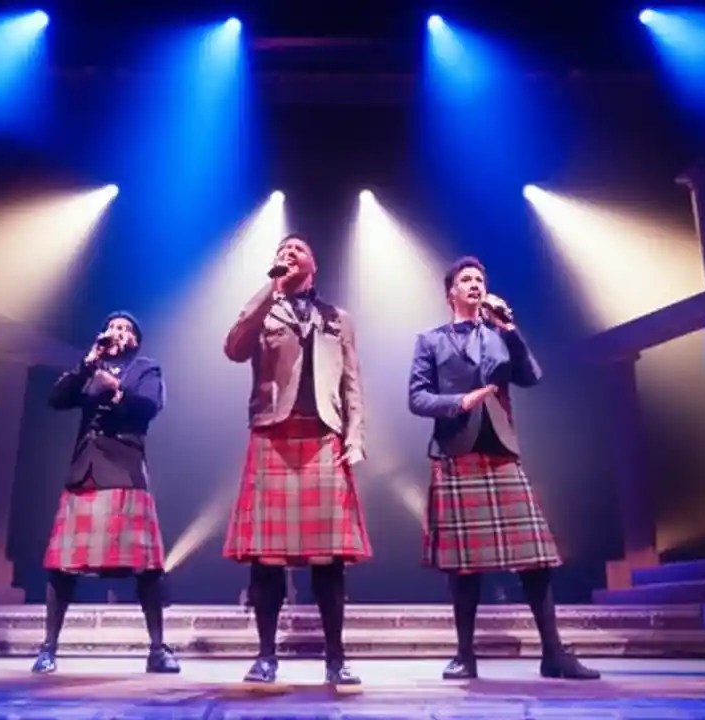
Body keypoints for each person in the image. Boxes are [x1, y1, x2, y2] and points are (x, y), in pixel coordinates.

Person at [408, 256, 599, 681]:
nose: (475, 284)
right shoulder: (431, 340)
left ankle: (553, 654)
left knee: (535, 558)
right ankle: (465, 655)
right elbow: (417, 398)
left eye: (480, 278)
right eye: (467, 279)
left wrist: (510, 329)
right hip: (456, 450)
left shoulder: (499, 335)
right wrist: (459, 402)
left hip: (501, 450)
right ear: (451, 292)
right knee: (464, 565)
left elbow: (531, 376)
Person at [222, 234, 371, 685]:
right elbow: (234, 348)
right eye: (281, 250)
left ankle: (335, 658)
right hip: (273, 433)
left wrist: (355, 436)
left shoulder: (337, 318)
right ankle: (265, 656)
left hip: (324, 434)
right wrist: (270, 289)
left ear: (314, 264)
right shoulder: (265, 309)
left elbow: (351, 382)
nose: (288, 253)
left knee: (330, 558)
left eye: (298, 249)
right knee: (266, 558)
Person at [31, 311, 179, 674]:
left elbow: (148, 408)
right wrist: (88, 363)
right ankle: (48, 648)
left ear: (135, 340)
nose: (117, 331)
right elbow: (57, 398)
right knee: (62, 565)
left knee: (146, 566)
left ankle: (158, 649)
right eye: (112, 326)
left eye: (125, 328)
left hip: (124, 470)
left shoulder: (145, 369)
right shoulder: (89, 367)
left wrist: (114, 388)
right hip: (84, 473)